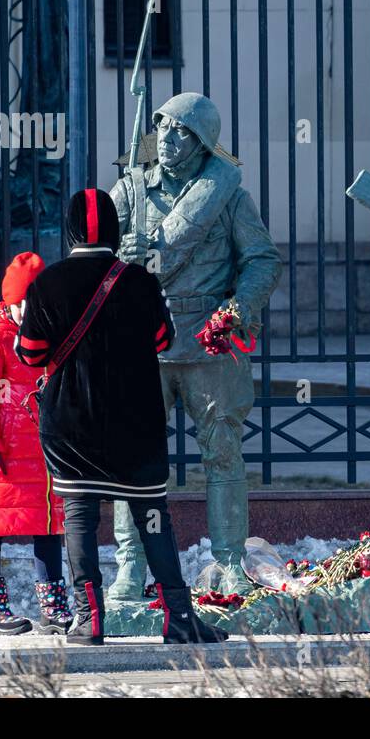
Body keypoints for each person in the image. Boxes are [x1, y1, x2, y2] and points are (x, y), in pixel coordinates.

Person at [18, 189, 227, 644]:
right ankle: (179, 617)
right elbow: (163, 341)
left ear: (71, 229)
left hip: (73, 426)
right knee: (152, 516)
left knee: (80, 516)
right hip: (137, 425)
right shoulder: (139, 281)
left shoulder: (47, 284)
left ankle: (89, 619)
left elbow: (31, 355)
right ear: (113, 228)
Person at [110, 92, 281, 597]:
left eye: (181, 131)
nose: (166, 138)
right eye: (162, 127)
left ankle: (229, 561)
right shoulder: (130, 192)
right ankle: (130, 568)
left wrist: (238, 308)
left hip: (210, 345)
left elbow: (263, 261)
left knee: (223, 454)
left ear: (204, 143)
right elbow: (87, 256)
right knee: (133, 462)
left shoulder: (227, 195)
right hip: (144, 343)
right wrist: (123, 253)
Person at [0, 252, 69, 635]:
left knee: (47, 526)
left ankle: (54, 608)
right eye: (26, 304)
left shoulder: (51, 334)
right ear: (12, 303)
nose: (32, 312)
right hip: (3, 454)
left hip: (42, 453)